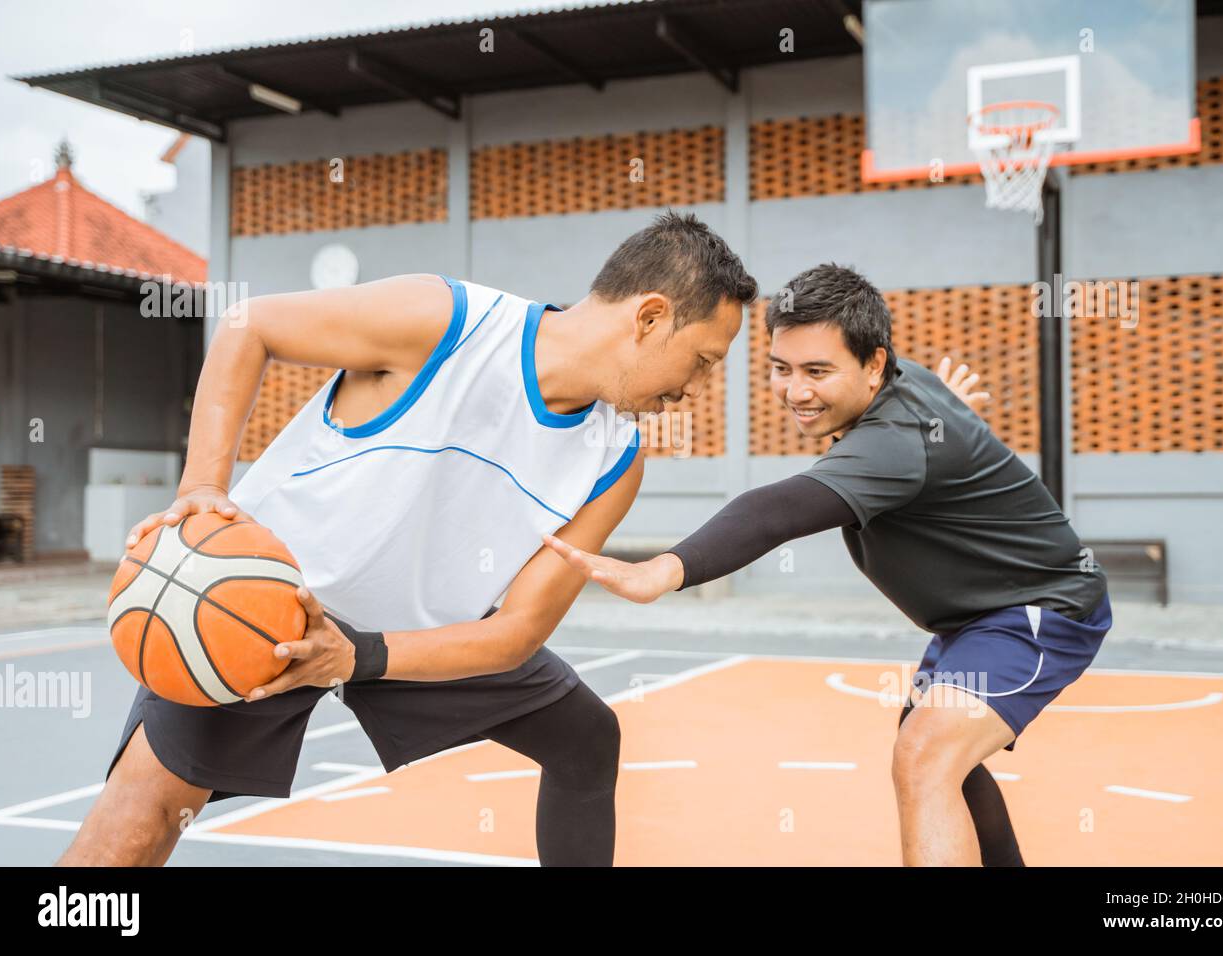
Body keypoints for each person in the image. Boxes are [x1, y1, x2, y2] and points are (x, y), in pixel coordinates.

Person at [59, 211, 755, 867]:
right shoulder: (446, 321)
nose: (697, 388)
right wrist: (201, 488)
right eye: (701, 361)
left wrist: (358, 657)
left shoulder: (616, 458)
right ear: (651, 316)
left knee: (585, 739)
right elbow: (251, 326)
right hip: (262, 602)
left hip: (422, 637)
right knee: (141, 821)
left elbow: (515, 632)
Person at [544, 263, 1111, 867]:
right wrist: (951, 415)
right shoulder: (901, 397)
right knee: (940, 755)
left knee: (926, 754)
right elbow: (922, 432)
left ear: (874, 364)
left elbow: (775, 512)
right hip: (973, 618)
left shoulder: (899, 439)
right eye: (782, 369)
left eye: (818, 371)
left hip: (1040, 611)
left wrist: (665, 569)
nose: (797, 391)